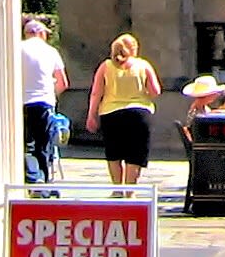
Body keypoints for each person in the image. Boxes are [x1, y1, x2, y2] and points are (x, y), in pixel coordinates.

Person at [86, 33, 161, 186]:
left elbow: (96, 92)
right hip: (139, 113)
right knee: (135, 153)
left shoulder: (105, 66)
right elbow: (155, 91)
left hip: (111, 114)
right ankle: (130, 190)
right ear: (134, 49)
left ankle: (117, 188)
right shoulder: (143, 65)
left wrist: (91, 115)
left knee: (114, 153)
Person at [19, 16, 69, 183]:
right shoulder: (51, 51)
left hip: (22, 102)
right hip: (45, 102)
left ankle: (33, 178)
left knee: (28, 144)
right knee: (44, 145)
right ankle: (44, 183)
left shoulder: (18, 49)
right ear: (40, 34)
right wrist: (52, 95)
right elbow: (62, 82)